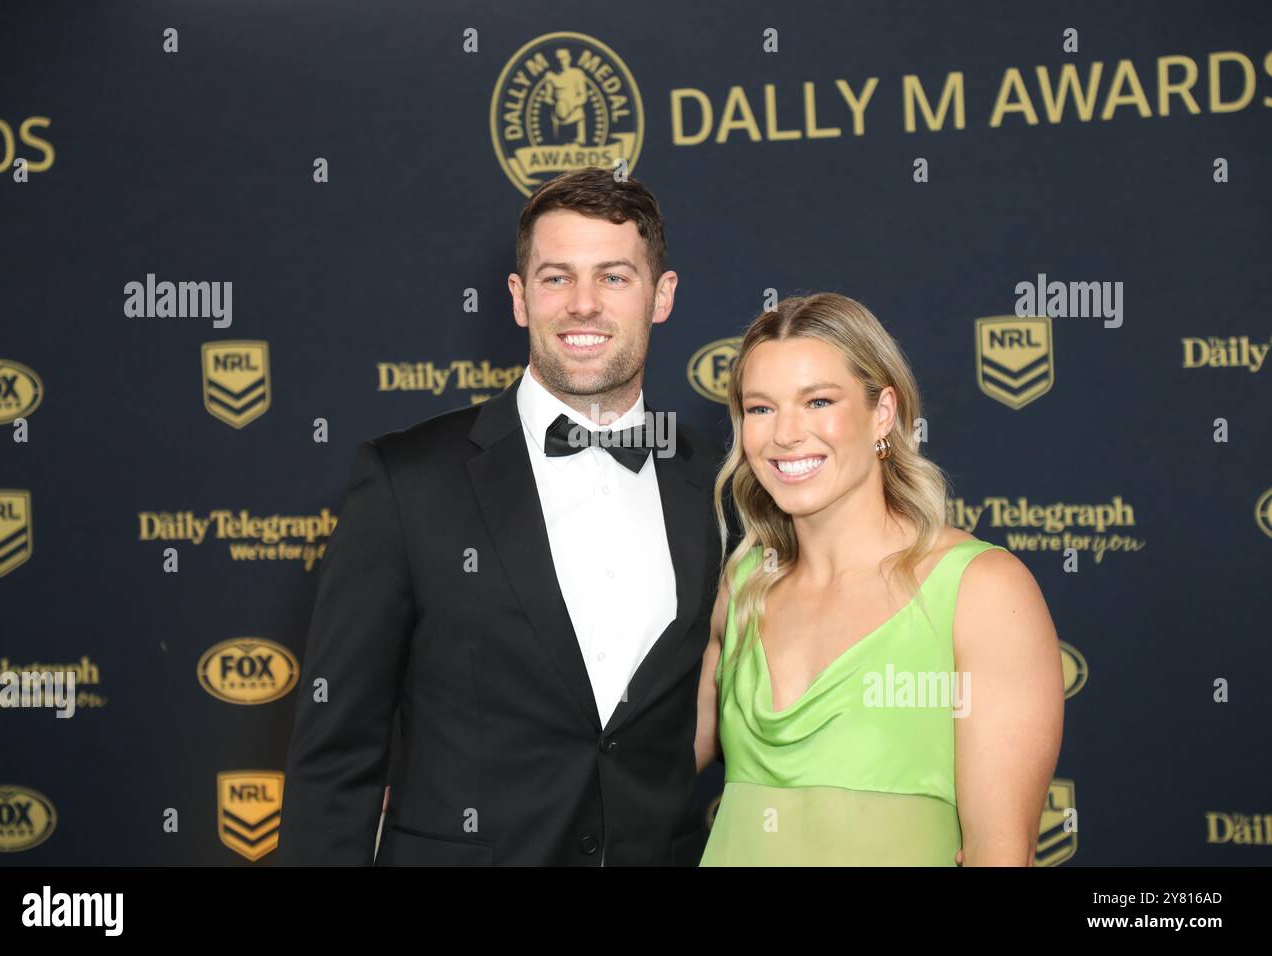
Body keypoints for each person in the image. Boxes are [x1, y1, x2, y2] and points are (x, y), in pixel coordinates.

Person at [276, 166, 723, 865]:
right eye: (555, 278)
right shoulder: (406, 482)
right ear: (518, 298)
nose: (583, 304)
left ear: (661, 296)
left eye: (614, 277)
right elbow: (334, 760)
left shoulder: (715, 484)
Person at [693, 293, 1064, 866]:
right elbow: (646, 757)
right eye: (760, 409)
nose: (785, 434)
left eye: (817, 401)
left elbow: (1000, 856)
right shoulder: (744, 582)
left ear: (883, 413)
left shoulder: (980, 590)